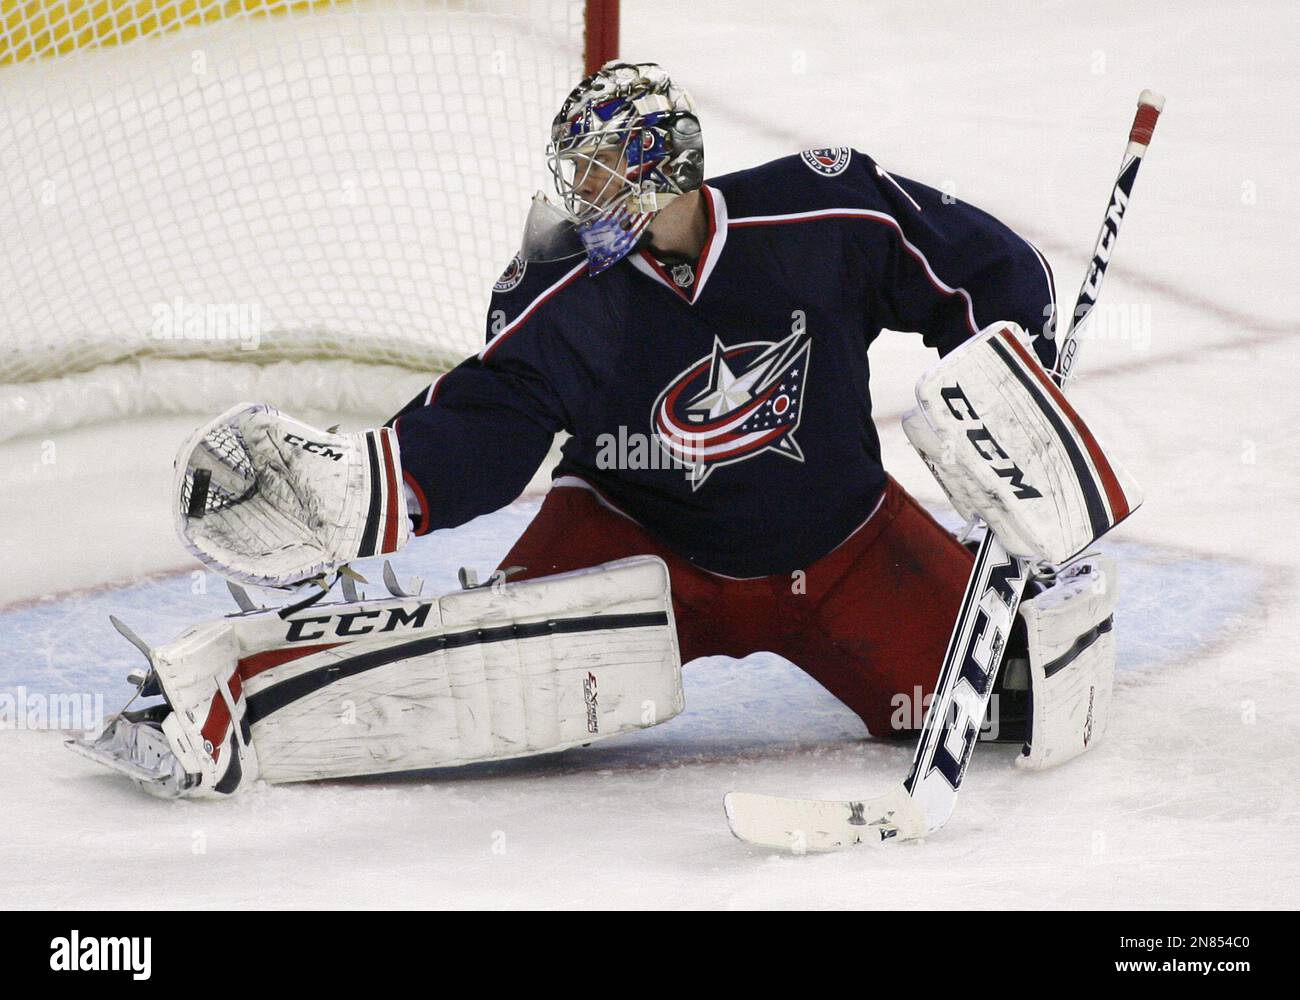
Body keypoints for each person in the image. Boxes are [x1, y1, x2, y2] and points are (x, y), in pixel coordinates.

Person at [385, 60, 1059, 737]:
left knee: (1008, 700)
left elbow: (983, 273)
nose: (582, 189)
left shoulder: (821, 215)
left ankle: (982, 585)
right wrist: (392, 484)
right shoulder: (562, 288)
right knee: (486, 696)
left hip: (844, 547)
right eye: (574, 167)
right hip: (635, 544)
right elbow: (493, 416)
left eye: (599, 162)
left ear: (660, 156)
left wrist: (1010, 392)